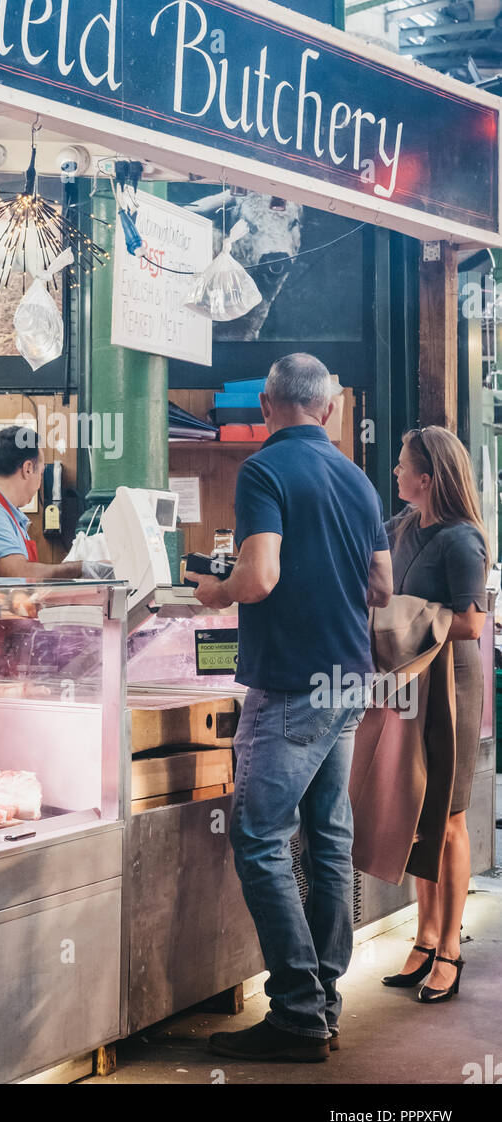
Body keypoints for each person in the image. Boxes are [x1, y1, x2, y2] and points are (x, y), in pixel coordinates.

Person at [196, 353, 393, 1062]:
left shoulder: (264, 470)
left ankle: (299, 1011)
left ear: (267, 409)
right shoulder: (359, 479)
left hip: (288, 685)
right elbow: (381, 587)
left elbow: (259, 576)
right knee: (328, 840)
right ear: (331, 410)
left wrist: (214, 590)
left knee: (259, 840)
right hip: (349, 682)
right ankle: (325, 1000)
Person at [379, 426, 488, 1003]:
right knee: (419, 811)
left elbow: (472, 624)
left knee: (448, 815)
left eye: (403, 466)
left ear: (428, 477)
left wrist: (407, 614)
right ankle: (421, 937)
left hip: (451, 685)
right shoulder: (398, 529)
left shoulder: (461, 539)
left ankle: (450, 948)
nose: (395, 472)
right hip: (411, 683)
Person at [0, 424, 102, 580]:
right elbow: (20, 574)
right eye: (42, 473)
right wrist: (84, 568)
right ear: (28, 469)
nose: (40, 482)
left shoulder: (4, 511)